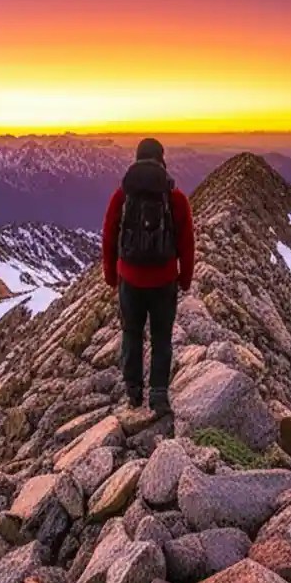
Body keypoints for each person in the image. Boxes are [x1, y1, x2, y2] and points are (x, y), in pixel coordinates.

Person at [101, 138, 196, 415]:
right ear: (161, 159)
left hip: (129, 279)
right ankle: (158, 394)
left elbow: (109, 235)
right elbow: (186, 242)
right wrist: (185, 278)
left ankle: (133, 391)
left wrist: (111, 275)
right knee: (161, 337)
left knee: (131, 332)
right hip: (164, 280)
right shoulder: (174, 197)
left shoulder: (122, 195)